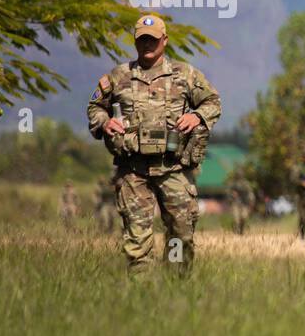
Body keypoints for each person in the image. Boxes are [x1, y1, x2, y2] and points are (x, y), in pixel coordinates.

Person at [86, 14, 221, 275]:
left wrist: (196, 116)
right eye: (142, 40)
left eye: (153, 40)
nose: (147, 45)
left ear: (165, 40)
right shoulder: (118, 76)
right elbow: (95, 106)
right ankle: (143, 297)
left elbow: (213, 102)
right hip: (133, 170)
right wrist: (104, 122)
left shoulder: (185, 74)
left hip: (173, 169)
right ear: (136, 42)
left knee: (181, 235)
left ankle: (176, 291)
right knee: (137, 242)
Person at [227, 170, 255, 236]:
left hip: (244, 204)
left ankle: (241, 230)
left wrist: (251, 201)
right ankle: (237, 232)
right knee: (236, 219)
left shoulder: (246, 184)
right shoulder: (233, 184)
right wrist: (232, 194)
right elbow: (228, 193)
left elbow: (250, 193)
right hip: (235, 204)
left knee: (244, 217)